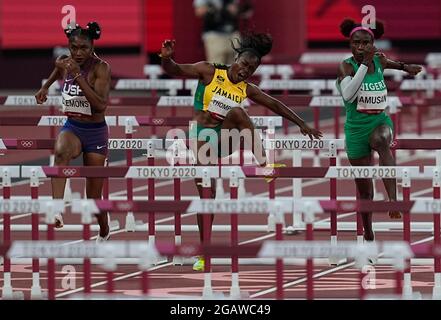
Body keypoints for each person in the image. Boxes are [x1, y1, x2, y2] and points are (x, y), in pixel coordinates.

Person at [160, 31, 322, 270]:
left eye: (252, 69)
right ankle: (205, 253)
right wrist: (166, 59)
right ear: (236, 60)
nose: (246, 71)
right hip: (201, 138)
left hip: (226, 138)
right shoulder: (209, 71)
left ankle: (264, 164)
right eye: (245, 65)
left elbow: (275, 104)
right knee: (207, 196)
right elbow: (175, 70)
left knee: (238, 112)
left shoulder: (246, 88)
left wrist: (301, 123)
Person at [336, 19, 422, 244]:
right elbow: (348, 96)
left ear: (373, 44)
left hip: (379, 122)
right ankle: (368, 231)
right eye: (357, 43)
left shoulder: (379, 61)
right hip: (356, 130)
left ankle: (393, 200)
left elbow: (390, 63)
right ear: (350, 44)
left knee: (382, 140)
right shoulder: (346, 66)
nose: (361, 47)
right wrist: (363, 65)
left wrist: (406, 67)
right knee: (364, 190)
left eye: (366, 43)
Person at [35, 22, 112, 242]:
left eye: (83, 48)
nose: (78, 53)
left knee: (94, 197)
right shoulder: (66, 62)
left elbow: (100, 105)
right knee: (60, 153)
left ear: (92, 46)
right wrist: (45, 87)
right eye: (73, 47)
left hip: (95, 132)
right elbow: (59, 68)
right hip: (73, 127)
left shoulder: (101, 68)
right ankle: (57, 209)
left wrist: (78, 76)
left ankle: (104, 229)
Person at [194, 0, 253, 65]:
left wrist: (237, 9)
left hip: (233, 34)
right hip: (215, 35)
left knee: (234, 68)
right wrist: (220, 8)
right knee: (217, 69)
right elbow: (199, 11)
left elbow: (246, 10)